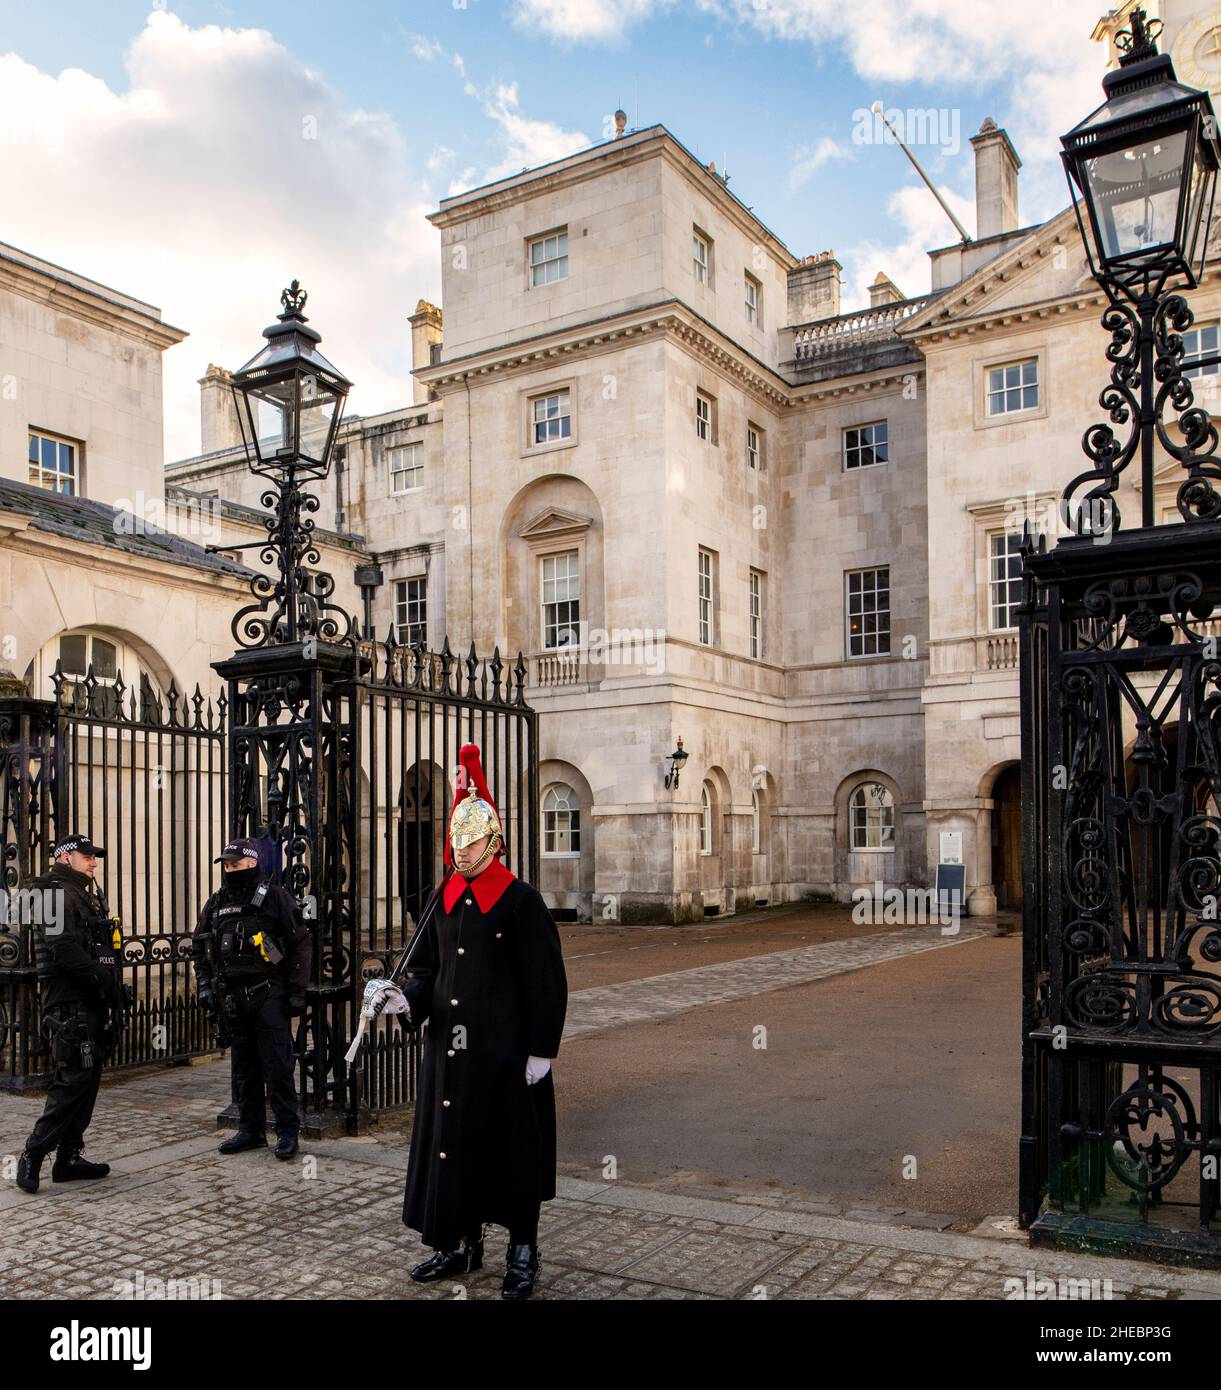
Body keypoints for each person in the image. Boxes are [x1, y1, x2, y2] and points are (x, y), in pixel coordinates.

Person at [400, 743, 568, 1299]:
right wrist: (407, 1002)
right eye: (456, 839)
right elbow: (426, 967)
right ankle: (456, 1240)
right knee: (454, 1147)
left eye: (471, 840)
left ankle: (522, 1248)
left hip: (506, 1055)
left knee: (512, 1152)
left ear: (493, 842)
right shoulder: (440, 897)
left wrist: (541, 1050)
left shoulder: (521, 901)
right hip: (450, 1051)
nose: (462, 849)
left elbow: (545, 981)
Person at [16, 834, 125, 1194]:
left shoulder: (81, 893)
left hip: (87, 997)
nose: (94, 862)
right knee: (74, 1078)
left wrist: (108, 982)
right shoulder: (54, 892)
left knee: (89, 1077)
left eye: (95, 857)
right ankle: (33, 1153)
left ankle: (69, 1157)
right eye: (87, 856)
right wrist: (102, 978)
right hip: (68, 1000)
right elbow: (61, 948)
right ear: (65, 857)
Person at [190, 837, 311, 1159]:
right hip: (232, 996)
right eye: (226, 865)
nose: (230, 869)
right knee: (244, 1068)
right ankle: (251, 1130)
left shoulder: (275, 897)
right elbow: (199, 947)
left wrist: (297, 990)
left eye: (235, 864)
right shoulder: (217, 902)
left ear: (252, 863)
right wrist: (204, 985)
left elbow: (300, 942)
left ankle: (287, 1132)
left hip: (268, 993)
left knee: (278, 1068)